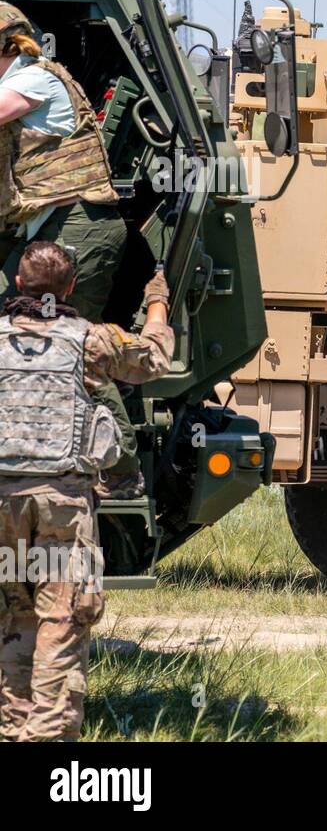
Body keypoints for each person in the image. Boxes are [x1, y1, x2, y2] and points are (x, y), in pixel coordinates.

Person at [0, 241, 172, 742]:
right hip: (61, 504)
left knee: (13, 615)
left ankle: (13, 730)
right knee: (62, 617)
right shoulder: (90, 342)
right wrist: (157, 303)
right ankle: (49, 740)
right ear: (71, 288)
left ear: (17, 284)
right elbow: (154, 360)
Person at [0, 1, 140, 500]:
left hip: (82, 226)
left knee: (71, 346)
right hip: (53, 226)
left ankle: (122, 468)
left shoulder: (34, 79)